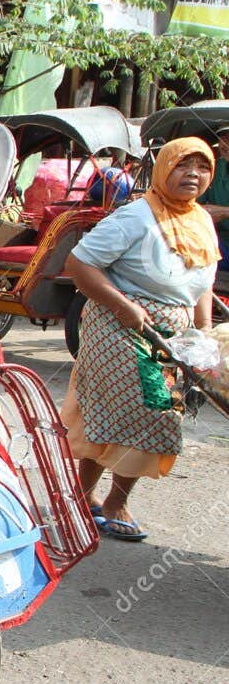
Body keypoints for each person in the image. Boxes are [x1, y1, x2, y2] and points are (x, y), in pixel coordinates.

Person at [61, 137, 220, 542]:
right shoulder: (136, 217)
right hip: (118, 326)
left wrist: (202, 329)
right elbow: (79, 263)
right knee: (141, 415)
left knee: (137, 418)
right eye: (184, 165)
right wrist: (122, 308)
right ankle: (109, 502)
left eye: (202, 168)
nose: (193, 175)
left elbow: (203, 279)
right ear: (164, 168)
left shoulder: (200, 220)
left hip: (172, 334)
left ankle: (86, 497)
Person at [197, 123, 229, 265]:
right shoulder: (214, 168)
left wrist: (225, 211)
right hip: (219, 241)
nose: (226, 143)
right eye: (223, 138)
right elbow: (195, 203)